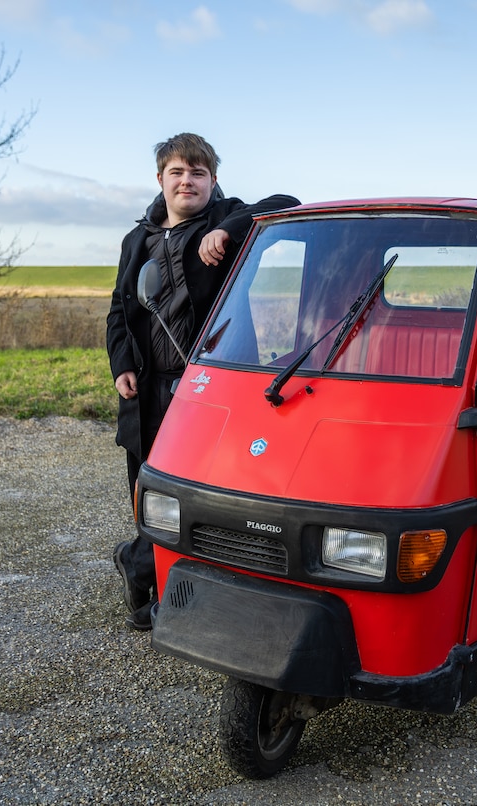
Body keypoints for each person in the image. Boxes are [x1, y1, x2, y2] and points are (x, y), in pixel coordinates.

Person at [106, 133, 298, 630]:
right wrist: (122, 363)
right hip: (150, 387)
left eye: (198, 173)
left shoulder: (225, 218)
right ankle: (150, 570)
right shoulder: (137, 240)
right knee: (152, 487)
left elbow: (286, 203)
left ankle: (163, 577)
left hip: (213, 385)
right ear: (161, 180)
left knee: (214, 485)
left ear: (212, 181)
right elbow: (119, 311)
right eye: (177, 172)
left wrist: (229, 229)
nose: (187, 181)